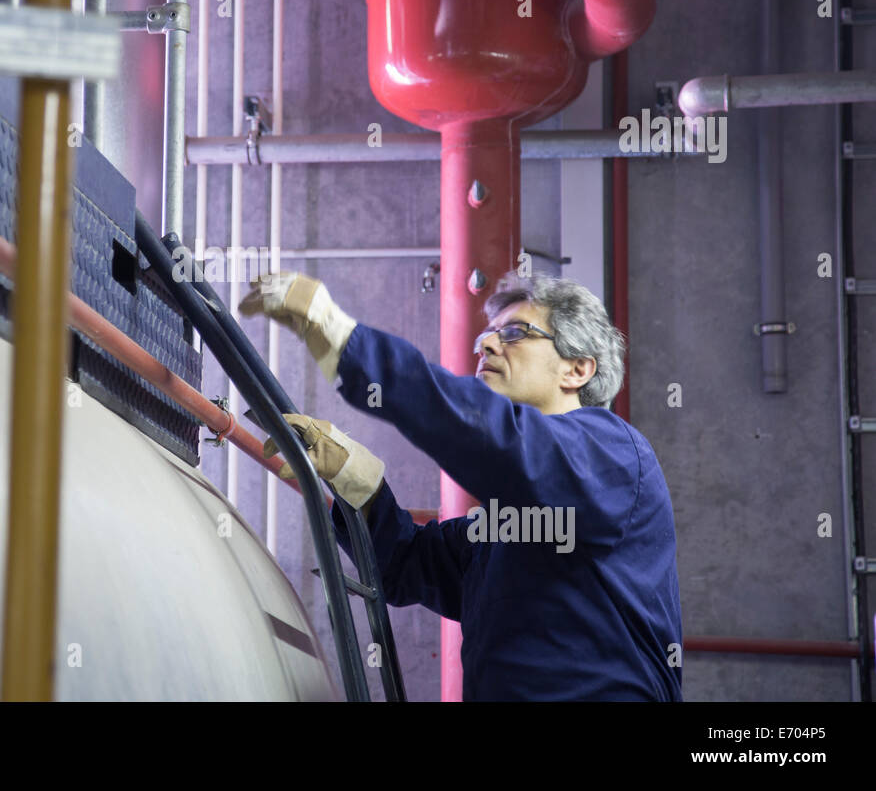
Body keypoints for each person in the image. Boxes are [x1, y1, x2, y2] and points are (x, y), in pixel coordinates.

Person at [240, 269, 682, 701]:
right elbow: (407, 566)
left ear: (577, 369)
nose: (487, 343)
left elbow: (502, 444)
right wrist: (357, 481)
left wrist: (346, 341)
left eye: (514, 334)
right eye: (485, 336)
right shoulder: (507, 525)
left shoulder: (614, 454)